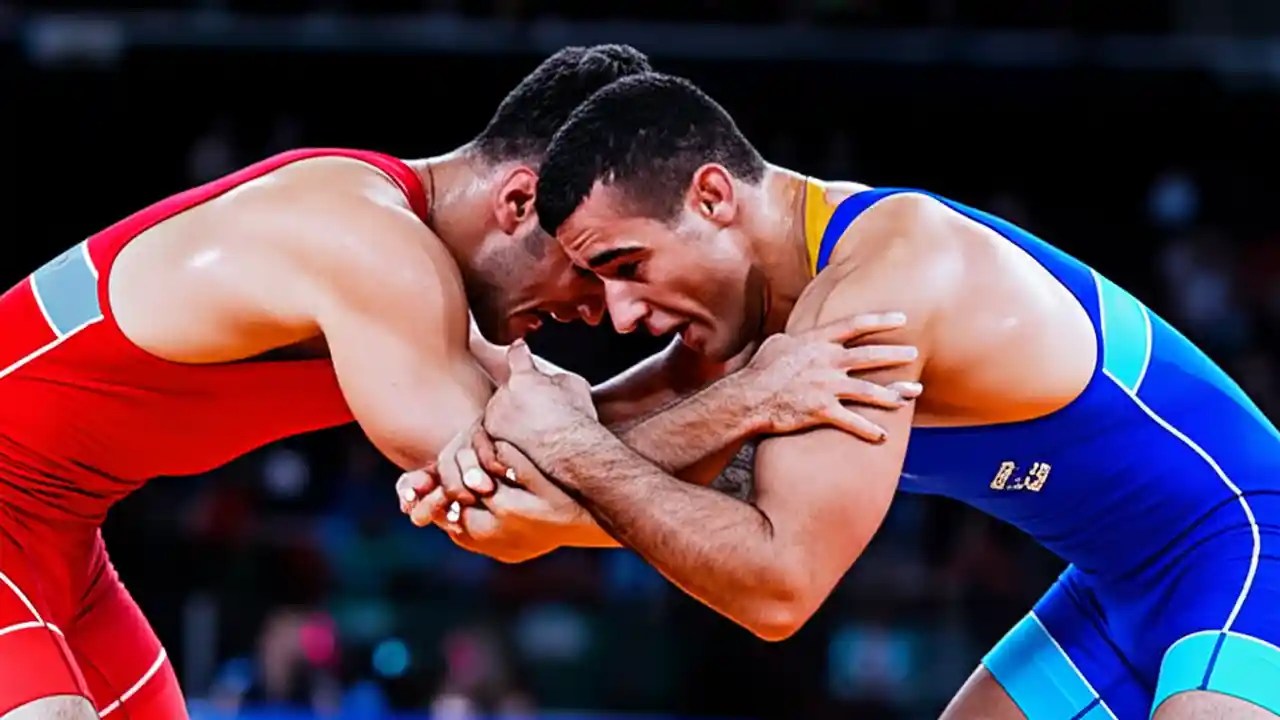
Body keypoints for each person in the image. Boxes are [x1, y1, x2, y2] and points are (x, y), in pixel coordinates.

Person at [0, 49, 918, 720]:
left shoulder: (428, 297)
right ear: (520, 202)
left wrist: (756, 451)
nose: (606, 310)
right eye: (592, 268)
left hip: (58, 542)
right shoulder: (367, 246)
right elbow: (506, 484)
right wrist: (753, 397)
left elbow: (581, 443)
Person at [437, 72, 1280, 720]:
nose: (620, 315)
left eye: (627, 267)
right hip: (1116, 584)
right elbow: (563, 464)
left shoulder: (889, 279)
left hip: (1250, 548)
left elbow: (778, 586)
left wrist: (568, 463)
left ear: (713, 197)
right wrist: (497, 426)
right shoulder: (741, 323)